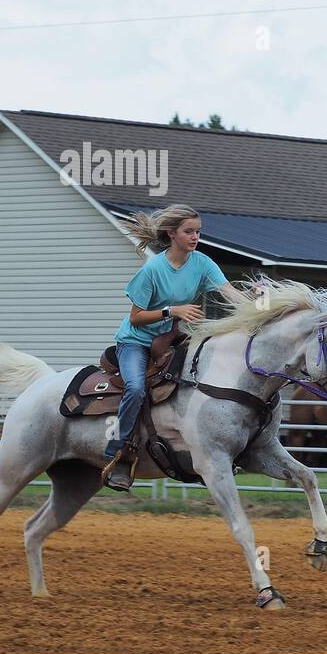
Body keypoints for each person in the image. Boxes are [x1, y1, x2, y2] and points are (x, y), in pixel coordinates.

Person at [102, 204, 251, 491]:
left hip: (169, 340)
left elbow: (231, 295)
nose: (195, 237)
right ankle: (118, 451)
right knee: (134, 388)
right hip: (135, 342)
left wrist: (259, 300)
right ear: (172, 234)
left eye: (198, 232)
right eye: (189, 232)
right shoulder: (153, 269)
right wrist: (173, 311)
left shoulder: (203, 263)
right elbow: (136, 317)